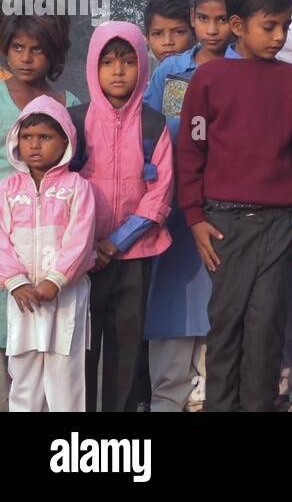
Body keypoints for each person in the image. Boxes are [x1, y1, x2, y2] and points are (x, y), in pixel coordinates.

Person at [176, 0, 292, 412]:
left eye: (285, 26)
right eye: (269, 26)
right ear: (238, 26)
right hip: (223, 224)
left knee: (267, 328)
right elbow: (191, 152)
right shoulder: (208, 80)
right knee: (226, 325)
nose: (279, 36)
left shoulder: (291, 82)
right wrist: (195, 218)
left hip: (281, 225)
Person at [143, 0, 231, 412]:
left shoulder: (245, 68)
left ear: (236, 22)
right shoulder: (170, 72)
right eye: (203, 19)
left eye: (221, 20)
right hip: (175, 204)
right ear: (193, 19)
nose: (212, 29)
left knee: (220, 298)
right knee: (172, 296)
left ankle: (208, 394)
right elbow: (150, 133)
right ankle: (167, 395)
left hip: (227, 205)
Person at [78, 22, 174, 412]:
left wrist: (116, 242)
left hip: (134, 257)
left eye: (128, 61)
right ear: (92, 67)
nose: (118, 71)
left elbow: (160, 194)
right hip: (81, 262)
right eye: (107, 62)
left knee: (126, 350)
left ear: (142, 66)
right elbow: (62, 188)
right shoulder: (76, 122)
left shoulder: (154, 125)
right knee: (81, 349)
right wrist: (86, 246)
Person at [0, 15, 80, 403]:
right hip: (5, 244)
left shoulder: (71, 107)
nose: (27, 58)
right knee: (15, 363)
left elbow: (80, 183)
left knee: (55, 365)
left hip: (52, 256)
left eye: (38, 49)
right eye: (18, 47)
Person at [1, 98, 96, 411]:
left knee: (64, 374)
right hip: (23, 297)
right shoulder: (7, 189)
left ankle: (68, 452)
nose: (34, 145)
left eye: (45, 137)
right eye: (27, 137)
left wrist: (57, 279)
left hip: (65, 296)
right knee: (24, 374)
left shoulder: (76, 187)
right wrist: (15, 280)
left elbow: (80, 238)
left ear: (66, 142)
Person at [144, 0, 195, 70]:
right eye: (157, 34)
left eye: (178, 32)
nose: (167, 42)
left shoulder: (206, 74)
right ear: (147, 38)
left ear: (194, 33)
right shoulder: (148, 79)